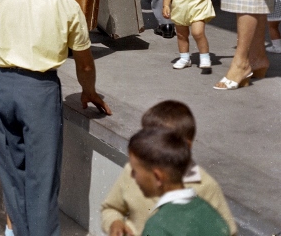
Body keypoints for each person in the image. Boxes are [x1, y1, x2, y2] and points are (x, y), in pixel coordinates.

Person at [0, 0, 112, 236]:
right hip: (38, 90)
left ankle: (16, 229)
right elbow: (85, 62)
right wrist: (88, 90)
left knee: (10, 171)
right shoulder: (68, 5)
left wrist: (12, 44)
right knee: (43, 177)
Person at [101, 100, 236, 236]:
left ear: (185, 146)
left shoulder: (206, 186)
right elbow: (111, 208)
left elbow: (226, 231)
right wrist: (115, 222)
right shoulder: (134, 172)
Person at [126, 128, 230, 236]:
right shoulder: (208, 211)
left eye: (135, 170)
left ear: (157, 177)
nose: (132, 175)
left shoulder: (158, 225)